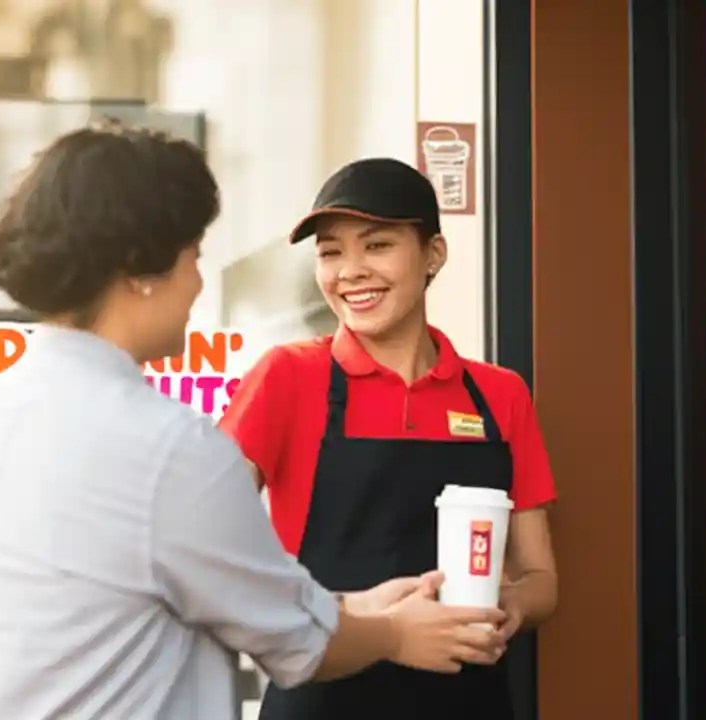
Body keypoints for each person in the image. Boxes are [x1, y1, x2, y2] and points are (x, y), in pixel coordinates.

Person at [0, 124, 508, 719]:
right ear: (142, 270)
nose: (198, 282)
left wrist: (355, 605)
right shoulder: (166, 448)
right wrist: (396, 634)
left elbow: (202, 592)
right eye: (194, 256)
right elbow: (301, 641)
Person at [220, 157, 560, 718]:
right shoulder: (288, 376)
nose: (350, 270)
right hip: (321, 700)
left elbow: (542, 578)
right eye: (331, 252)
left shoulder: (499, 395)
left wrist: (506, 605)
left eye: (376, 245)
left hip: (467, 700)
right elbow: (207, 537)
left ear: (434, 255)